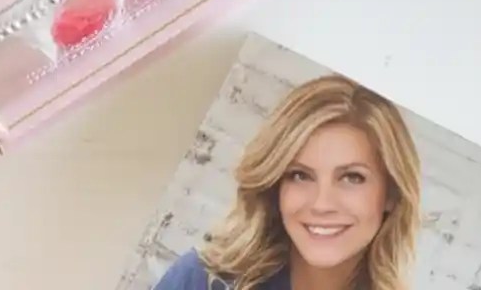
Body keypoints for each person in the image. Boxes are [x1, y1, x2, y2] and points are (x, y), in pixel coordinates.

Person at [154, 74, 422, 290]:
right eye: (300, 175)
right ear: (275, 186)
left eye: (352, 177)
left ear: (391, 194)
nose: (322, 203)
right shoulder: (200, 280)